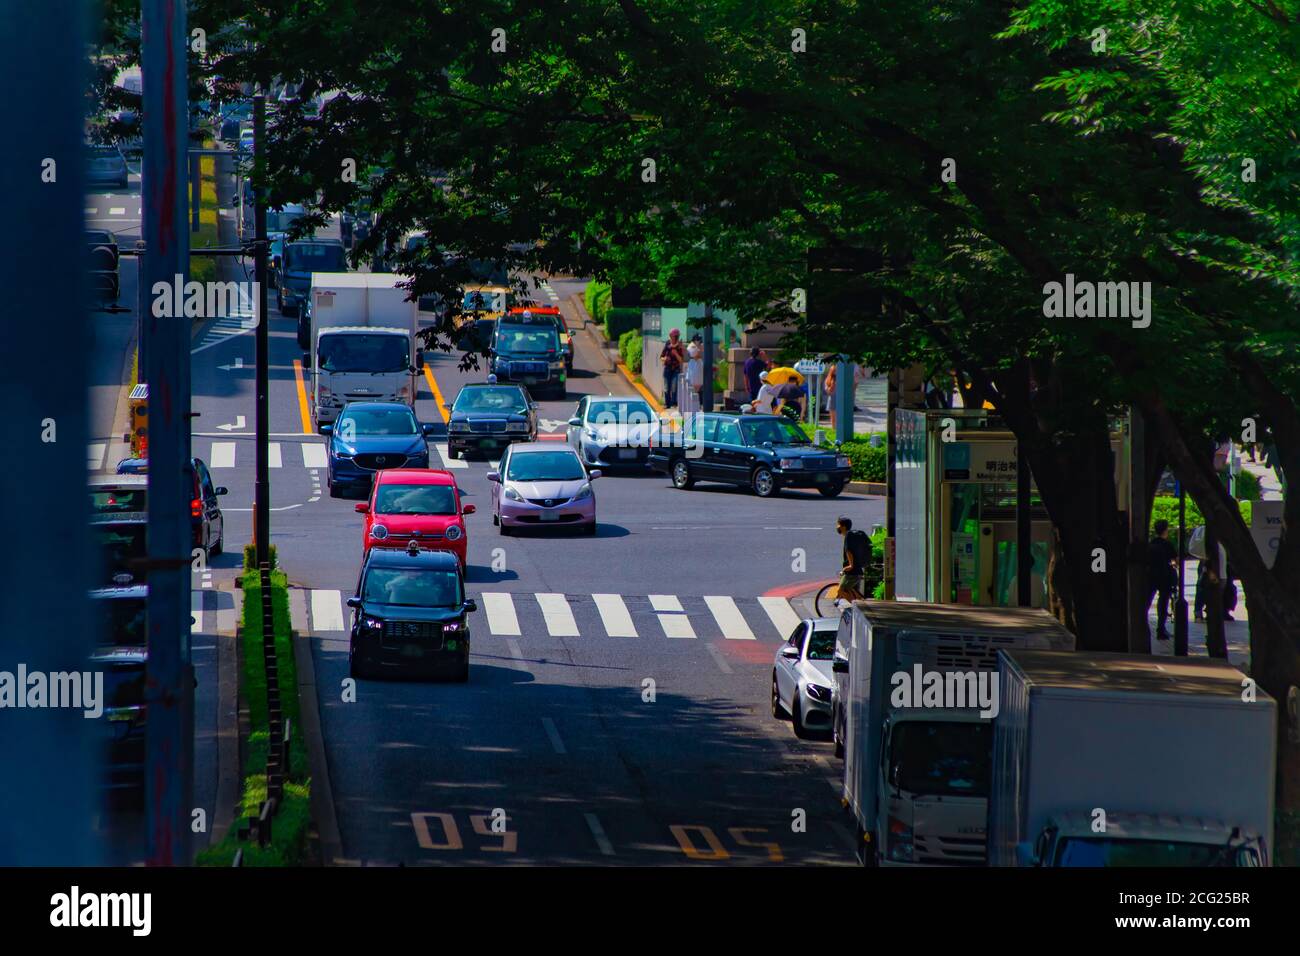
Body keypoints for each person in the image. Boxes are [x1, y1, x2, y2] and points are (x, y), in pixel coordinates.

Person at [1146, 519, 1177, 641]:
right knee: (1163, 603)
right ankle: (1161, 629)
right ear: (1165, 530)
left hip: (1151, 576)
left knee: (1147, 601)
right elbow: (1176, 560)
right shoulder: (1167, 544)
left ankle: (1143, 624)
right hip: (1165, 577)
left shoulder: (1151, 544)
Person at [836, 516, 872, 602]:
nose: (837, 527)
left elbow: (849, 551)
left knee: (841, 590)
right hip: (857, 570)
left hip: (852, 572)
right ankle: (860, 606)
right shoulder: (852, 536)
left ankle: (856, 608)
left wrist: (850, 565)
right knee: (854, 593)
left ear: (843, 527)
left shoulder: (848, 536)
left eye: (838, 525)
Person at [660, 329, 685, 408]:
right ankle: (667, 404)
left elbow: (681, 360)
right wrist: (665, 359)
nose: (675, 338)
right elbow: (661, 357)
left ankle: (673, 403)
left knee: (674, 386)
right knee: (667, 387)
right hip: (667, 368)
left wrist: (676, 353)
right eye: (673, 336)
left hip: (675, 369)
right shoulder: (667, 344)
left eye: (676, 336)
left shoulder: (680, 346)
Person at [680, 340, 704, 417]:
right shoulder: (693, 361)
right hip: (693, 383)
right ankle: (694, 411)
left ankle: (696, 411)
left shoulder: (698, 361)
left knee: (695, 396)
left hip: (696, 382)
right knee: (693, 396)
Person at [824, 363, 838, 431]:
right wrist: (831, 387)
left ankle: (839, 429)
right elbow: (827, 391)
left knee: (839, 417)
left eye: (836, 371)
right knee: (832, 417)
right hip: (832, 399)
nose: (836, 372)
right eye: (834, 371)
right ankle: (833, 430)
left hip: (839, 399)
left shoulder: (841, 379)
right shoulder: (828, 379)